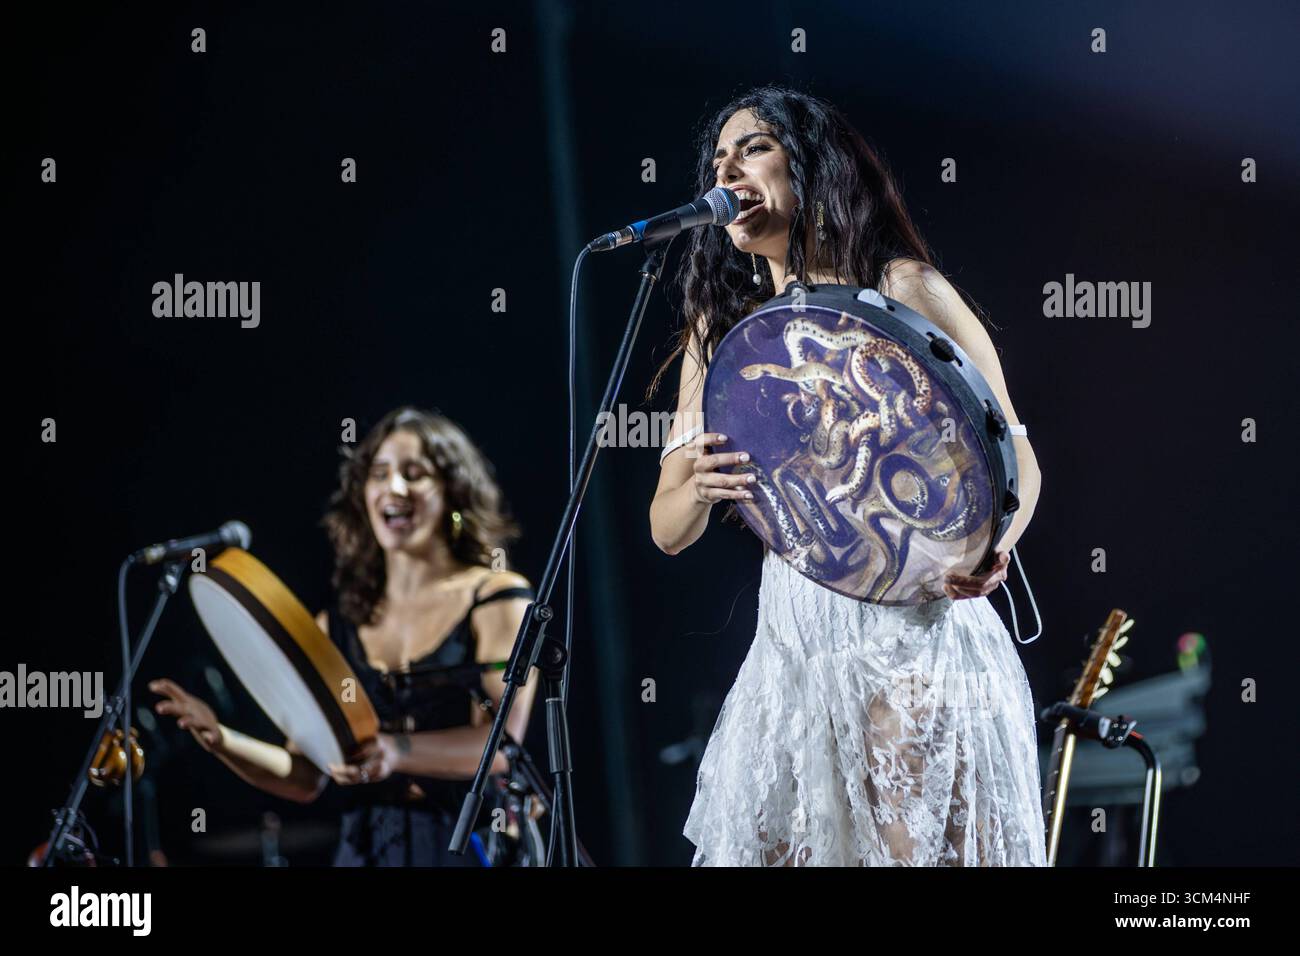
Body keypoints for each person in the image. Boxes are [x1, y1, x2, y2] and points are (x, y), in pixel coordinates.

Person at [649, 86, 1047, 866]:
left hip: (913, 627)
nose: (729, 167)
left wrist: (992, 545)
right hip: (792, 641)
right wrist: (694, 485)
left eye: (753, 147)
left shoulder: (905, 290)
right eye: (718, 157)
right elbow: (666, 529)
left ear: (812, 166)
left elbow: (1017, 456)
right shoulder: (721, 335)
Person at [152, 407, 536, 865]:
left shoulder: (496, 596)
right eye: (379, 474)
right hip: (364, 848)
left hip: (466, 844)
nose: (394, 488)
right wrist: (222, 739)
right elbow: (306, 776)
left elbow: (500, 746)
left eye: (415, 475)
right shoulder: (336, 623)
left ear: (453, 492)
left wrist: (396, 751)